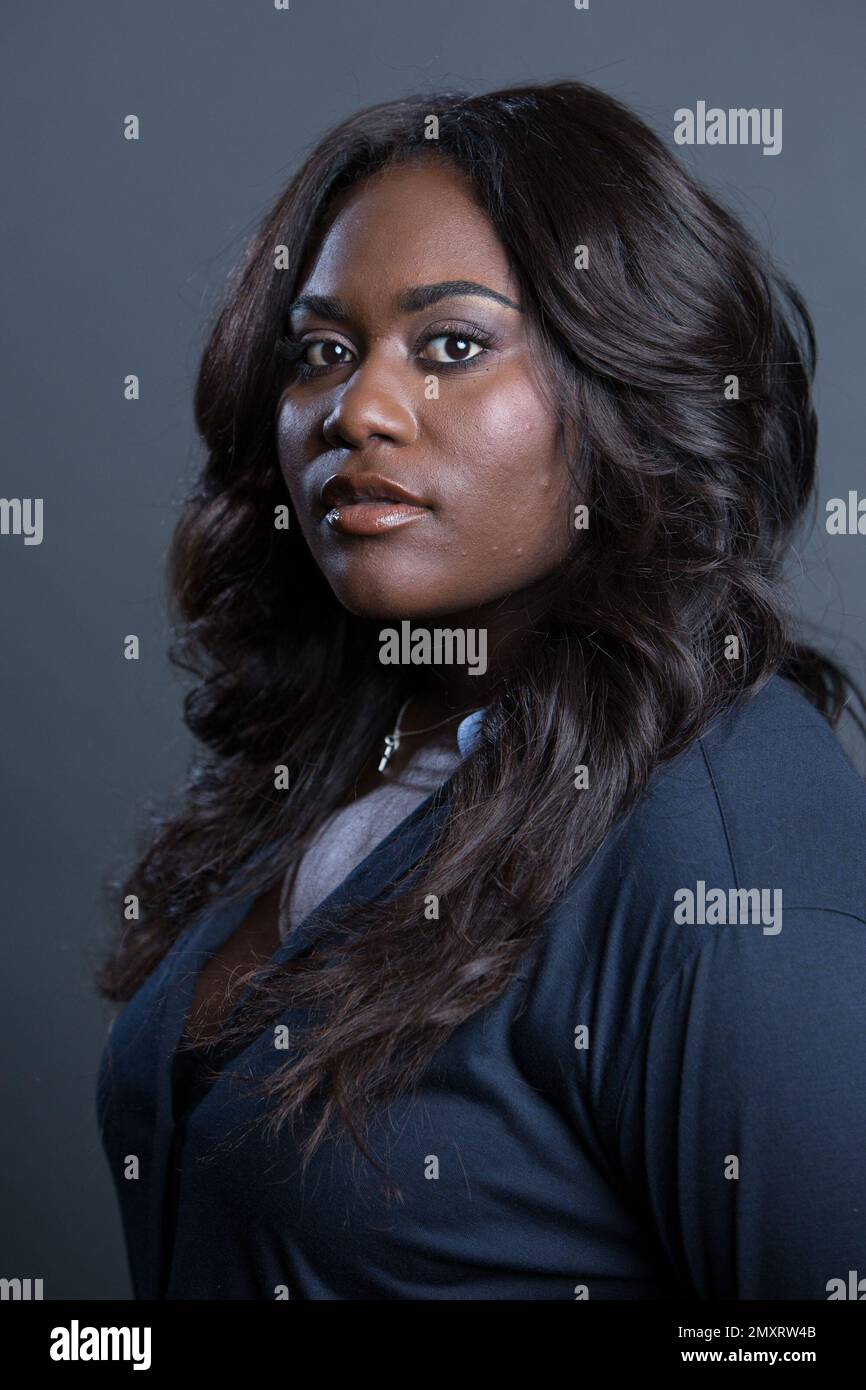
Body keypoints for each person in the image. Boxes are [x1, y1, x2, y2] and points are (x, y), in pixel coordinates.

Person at [96, 80, 866, 1300]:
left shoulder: (727, 850)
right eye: (321, 352)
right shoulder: (356, 758)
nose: (358, 408)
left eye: (450, 345)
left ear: (622, 384)